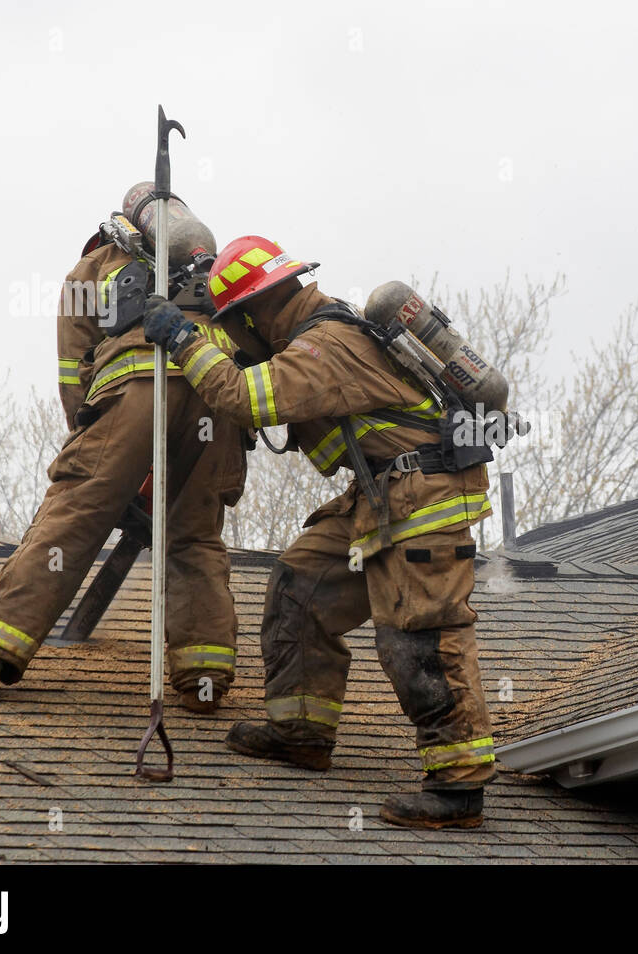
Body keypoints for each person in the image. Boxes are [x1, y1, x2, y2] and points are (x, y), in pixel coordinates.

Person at [119, 235, 497, 829]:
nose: (237, 329)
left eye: (237, 319)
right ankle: (301, 731)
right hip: (380, 495)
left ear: (259, 308)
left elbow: (245, 397)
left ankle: (458, 787)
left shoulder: (324, 347)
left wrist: (183, 338)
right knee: (302, 586)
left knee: (418, 637)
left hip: (425, 498)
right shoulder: (313, 338)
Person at [0, 196, 252, 713]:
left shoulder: (94, 266)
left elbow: (74, 368)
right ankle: (203, 677)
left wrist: (90, 443)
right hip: (217, 399)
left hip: (135, 390)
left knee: (75, 513)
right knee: (195, 534)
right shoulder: (215, 269)